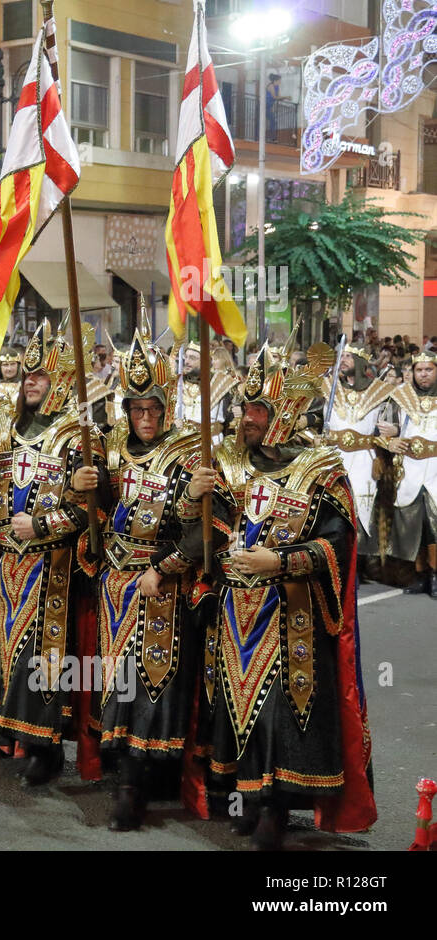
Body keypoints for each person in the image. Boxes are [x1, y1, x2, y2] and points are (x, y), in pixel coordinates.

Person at [208, 341, 376, 849]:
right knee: (239, 706)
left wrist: (279, 562)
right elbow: (214, 526)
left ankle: (276, 808)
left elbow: (338, 546)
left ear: (283, 413)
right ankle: (247, 794)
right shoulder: (229, 462)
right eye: (244, 408)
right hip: (236, 608)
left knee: (281, 710)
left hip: (292, 613)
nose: (247, 418)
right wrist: (202, 504)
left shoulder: (322, 468)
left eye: (258, 410)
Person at [93, 315, 226, 831]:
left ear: (166, 408)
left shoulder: (191, 451)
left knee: (156, 678)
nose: (144, 418)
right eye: (136, 409)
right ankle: (123, 767)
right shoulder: (111, 447)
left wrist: (165, 566)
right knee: (118, 678)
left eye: (152, 409)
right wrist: (90, 484)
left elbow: (210, 528)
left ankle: (138, 782)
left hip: (162, 587)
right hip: (114, 584)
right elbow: (101, 513)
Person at [0, 318, 108, 786]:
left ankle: (45, 745)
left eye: (40, 376)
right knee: (10, 647)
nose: (30, 382)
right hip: (9, 557)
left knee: (44, 654)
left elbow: (91, 510)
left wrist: (40, 526)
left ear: (58, 382)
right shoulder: (8, 427)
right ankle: (14, 734)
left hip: (54, 564)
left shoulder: (78, 435)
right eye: (27, 375)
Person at [321, 346, 397, 568]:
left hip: (364, 457)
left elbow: (391, 422)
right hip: (334, 456)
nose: (342, 360)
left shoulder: (381, 392)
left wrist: (393, 430)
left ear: (362, 362)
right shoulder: (330, 387)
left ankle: (362, 561)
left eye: (348, 356)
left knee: (363, 506)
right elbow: (316, 416)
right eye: (341, 356)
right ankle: (335, 555)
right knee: (332, 504)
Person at [381, 350, 437, 596]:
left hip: (435, 466)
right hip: (410, 469)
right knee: (414, 524)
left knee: (434, 524)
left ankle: (435, 575)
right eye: (419, 370)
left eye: (429, 369)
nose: (423, 374)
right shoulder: (401, 397)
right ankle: (419, 573)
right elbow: (387, 431)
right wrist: (390, 440)